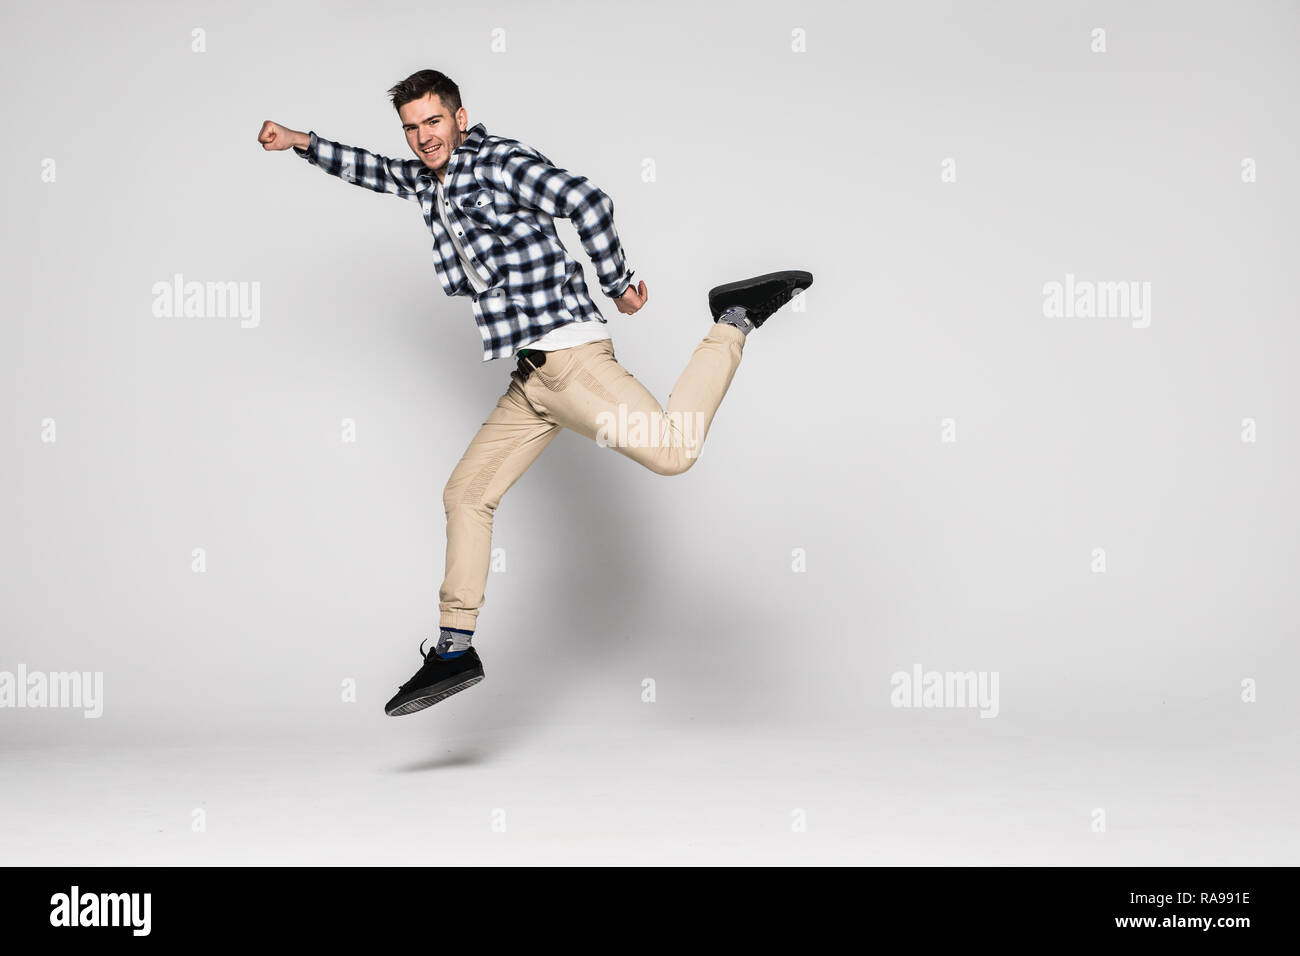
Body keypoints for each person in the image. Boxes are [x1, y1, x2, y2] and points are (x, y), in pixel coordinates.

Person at [257, 69, 813, 717]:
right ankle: (455, 649)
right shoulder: (427, 178)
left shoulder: (496, 162)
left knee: (675, 451)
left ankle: (734, 318)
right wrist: (300, 140)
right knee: (466, 494)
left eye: (433, 122)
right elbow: (376, 170)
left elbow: (588, 201)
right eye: (412, 128)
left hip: (570, 358)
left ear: (461, 118)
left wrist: (619, 281)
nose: (422, 138)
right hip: (533, 380)